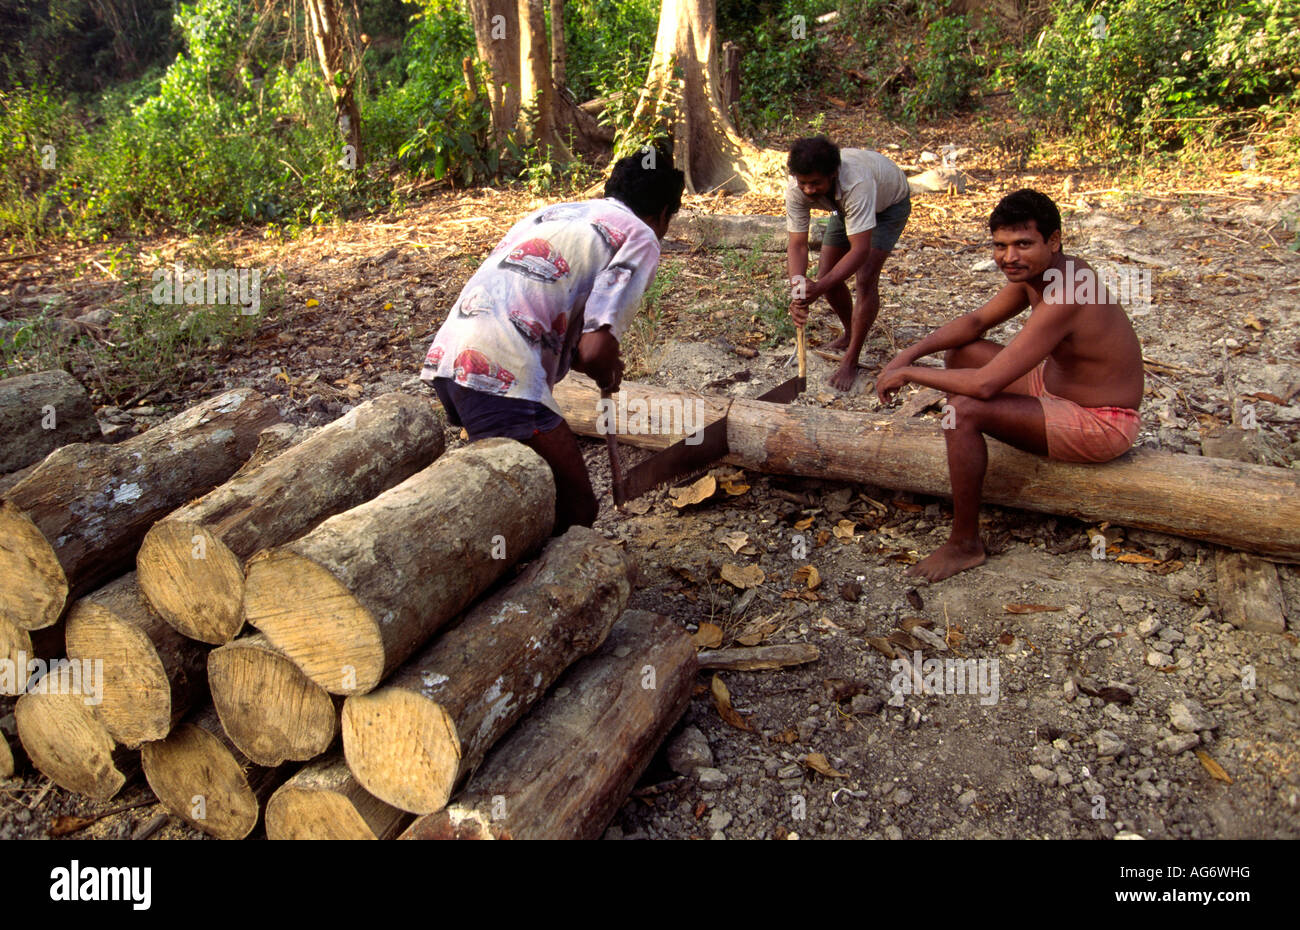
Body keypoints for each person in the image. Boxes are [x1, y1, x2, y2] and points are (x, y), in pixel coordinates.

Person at [875, 188, 1144, 582]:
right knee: (963, 352)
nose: (1009, 257)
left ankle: (965, 544)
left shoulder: (1069, 289)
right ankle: (971, 446)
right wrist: (908, 354)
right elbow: (975, 323)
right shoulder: (1042, 271)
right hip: (1051, 386)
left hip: (1099, 421)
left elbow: (984, 386)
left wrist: (910, 374)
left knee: (962, 410)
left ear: (1053, 241)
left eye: (1023, 244)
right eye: (999, 246)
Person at [421, 152, 685, 532]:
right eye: (667, 221)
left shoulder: (555, 212)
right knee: (577, 511)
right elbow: (594, 350)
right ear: (663, 214)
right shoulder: (640, 235)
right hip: (503, 377)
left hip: (451, 360)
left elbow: (558, 331)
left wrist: (600, 360)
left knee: (522, 500)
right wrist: (605, 365)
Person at [785, 136, 911, 391]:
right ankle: (850, 332)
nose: (808, 190)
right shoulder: (795, 187)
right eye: (803, 183)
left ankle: (851, 359)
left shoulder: (856, 183)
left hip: (888, 206)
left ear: (832, 174)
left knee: (865, 278)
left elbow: (860, 250)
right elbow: (797, 244)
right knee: (828, 277)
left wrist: (817, 288)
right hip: (842, 208)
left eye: (815, 183)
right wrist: (798, 288)